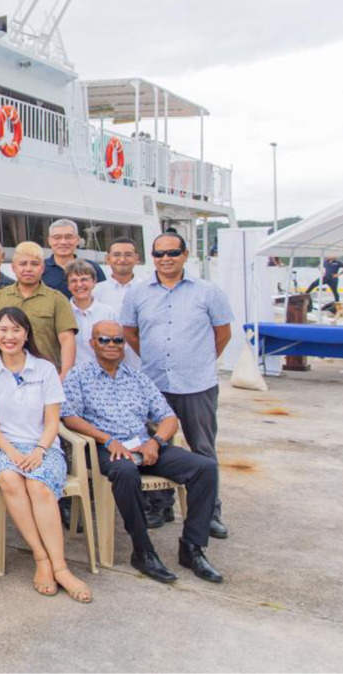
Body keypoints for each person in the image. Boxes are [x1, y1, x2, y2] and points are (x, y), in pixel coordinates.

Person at [62, 321, 224, 584]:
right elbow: (69, 417)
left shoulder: (137, 377)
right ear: (92, 344)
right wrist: (107, 439)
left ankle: (192, 547)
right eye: (104, 340)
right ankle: (143, 550)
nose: (111, 345)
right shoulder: (79, 376)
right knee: (125, 472)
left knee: (204, 467)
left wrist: (156, 442)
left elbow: (169, 417)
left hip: (145, 447)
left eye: (117, 340)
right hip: (107, 448)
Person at [0, 307, 92, 602]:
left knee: (37, 486)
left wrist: (40, 450)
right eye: (2, 330)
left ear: (27, 334)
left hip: (43, 447)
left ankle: (61, 567)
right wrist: (12, 452)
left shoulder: (45, 369)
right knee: (11, 480)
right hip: (7, 447)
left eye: (16, 330)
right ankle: (42, 560)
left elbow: (53, 421)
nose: (9, 336)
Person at [121, 232, 233, 538]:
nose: (165, 259)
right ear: (152, 258)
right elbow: (130, 332)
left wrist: (201, 360)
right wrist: (153, 359)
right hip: (155, 383)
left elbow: (222, 333)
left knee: (203, 448)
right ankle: (160, 505)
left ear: (185, 255)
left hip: (197, 383)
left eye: (172, 253)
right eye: (159, 254)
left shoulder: (208, 292)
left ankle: (209, 512)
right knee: (155, 447)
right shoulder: (138, 293)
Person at [0, 242, 77, 375]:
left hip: (45, 376)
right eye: (23, 264)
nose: (28, 269)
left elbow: (67, 339)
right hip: (2, 375)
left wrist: (64, 376)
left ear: (43, 268)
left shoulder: (57, 299)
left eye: (35, 264)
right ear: (13, 267)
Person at [65, 260, 130, 369]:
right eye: (73, 281)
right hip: (71, 376)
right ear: (68, 286)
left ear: (94, 282)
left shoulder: (108, 312)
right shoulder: (62, 313)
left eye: (84, 279)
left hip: (105, 374)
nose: (79, 284)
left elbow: (121, 346)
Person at [42, 219, 106, 299]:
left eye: (68, 237)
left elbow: (103, 297)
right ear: (49, 240)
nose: (63, 242)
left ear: (77, 240)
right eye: (57, 237)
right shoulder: (40, 268)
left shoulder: (92, 267)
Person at [93, 237, 140, 314]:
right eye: (116, 255)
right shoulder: (96, 291)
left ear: (136, 258)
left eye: (128, 255)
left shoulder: (146, 289)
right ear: (107, 258)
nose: (122, 259)